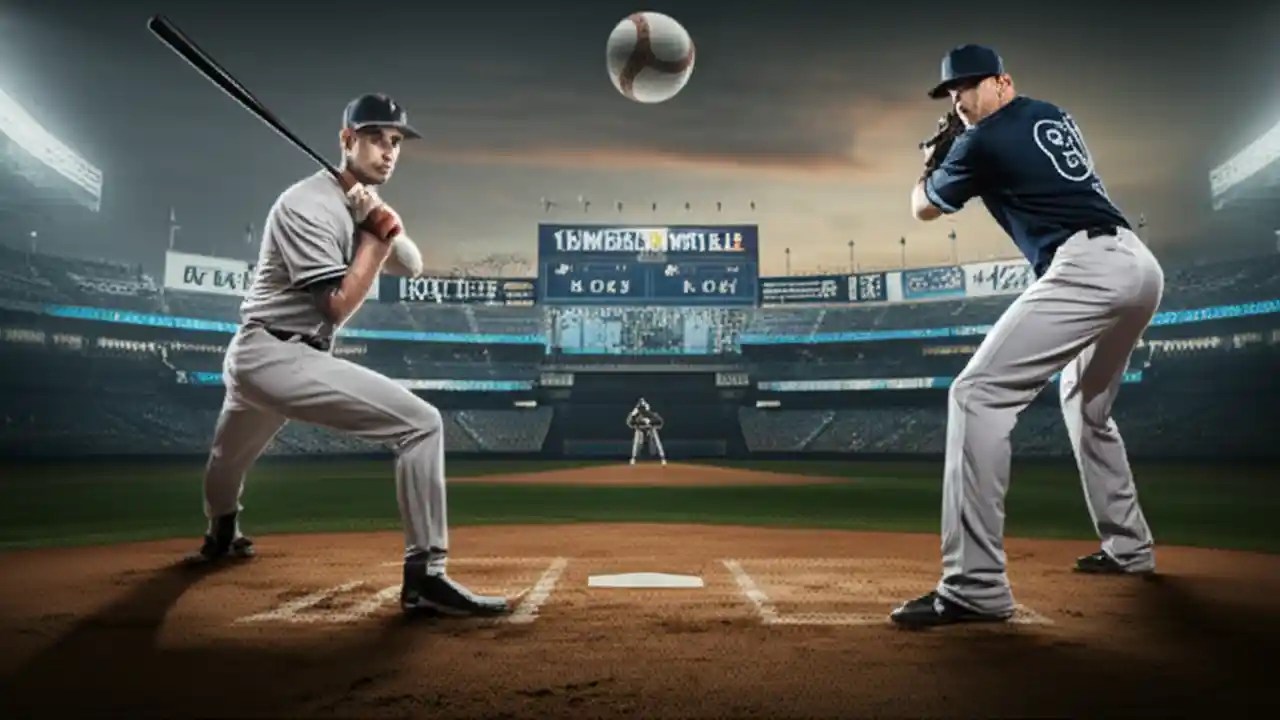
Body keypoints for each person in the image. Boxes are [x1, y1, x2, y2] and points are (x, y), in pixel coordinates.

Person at [186, 93, 512, 618]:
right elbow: (335, 307)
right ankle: (426, 574)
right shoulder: (305, 205)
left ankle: (221, 529)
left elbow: (415, 265)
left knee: (228, 459)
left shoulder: (356, 202)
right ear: (346, 140)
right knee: (421, 424)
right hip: (277, 353)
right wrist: (374, 240)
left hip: (265, 355)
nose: (388, 151)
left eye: (396, 141)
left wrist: (380, 220)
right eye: (376, 138)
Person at [889, 45, 1165, 628]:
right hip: (1138, 267)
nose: (959, 101)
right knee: (1086, 404)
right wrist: (958, 147)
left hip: (1089, 267)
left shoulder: (980, 140)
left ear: (1002, 81)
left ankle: (975, 585)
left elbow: (923, 210)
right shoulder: (1052, 113)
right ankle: (1130, 547)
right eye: (951, 93)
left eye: (968, 87)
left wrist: (932, 168)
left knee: (976, 395)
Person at [627, 398, 667, 465]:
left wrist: (650, 422)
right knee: (636, 441)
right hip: (640, 430)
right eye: (641, 408)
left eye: (643, 408)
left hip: (651, 429)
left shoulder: (651, 414)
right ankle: (633, 457)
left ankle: (662, 458)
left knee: (657, 440)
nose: (642, 410)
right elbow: (630, 423)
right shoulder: (635, 415)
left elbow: (660, 421)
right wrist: (634, 417)